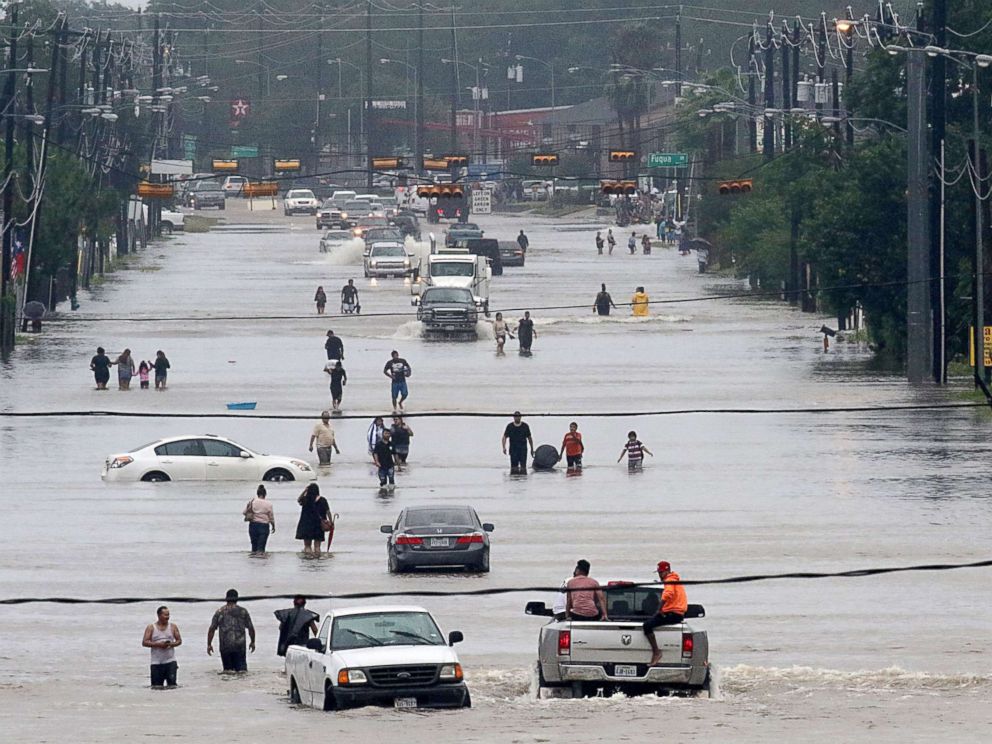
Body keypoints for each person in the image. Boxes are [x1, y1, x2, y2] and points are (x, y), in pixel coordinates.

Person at [644, 561, 688, 666]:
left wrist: (659, 609)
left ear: (667, 571)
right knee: (651, 621)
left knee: (647, 625)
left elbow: (668, 594)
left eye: (661, 572)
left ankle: (656, 652)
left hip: (674, 614)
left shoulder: (669, 580)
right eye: (659, 572)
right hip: (675, 614)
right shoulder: (675, 581)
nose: (660, 575)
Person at [207, 589, 255, 673]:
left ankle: (229, 681)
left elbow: (212, 629)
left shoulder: (220, 612)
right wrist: (252, 642)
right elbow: (250, 628)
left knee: (228, 671)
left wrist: (209, 644)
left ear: (226, 598)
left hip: (225, 646)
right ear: (237, 598)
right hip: (240, 646)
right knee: (242, 672)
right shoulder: (243, 611)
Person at [143, 606, 182, 688]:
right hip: (156, 663)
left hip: (170, 661)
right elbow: (145, 642)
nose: (167, 617)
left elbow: (179, 641)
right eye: (165, 615)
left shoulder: (173, 626)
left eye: (168, 615)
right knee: (156, 687)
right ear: (159, 615)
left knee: (172, 687)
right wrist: (159, 644)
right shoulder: (151, 627)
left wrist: (171, 644)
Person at [295, 483, 331, 555]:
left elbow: (299, 499)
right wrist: (330, 521)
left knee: (307, 546)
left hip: (306, 524)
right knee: (317, 546)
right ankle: (317, 558)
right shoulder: (323, 500)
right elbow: (328, 512)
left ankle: (308, 558)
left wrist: (305, 491)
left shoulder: (306, 499)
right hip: (319, 525)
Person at [243, 484, 275, 554]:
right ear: (265, 494)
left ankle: (253, 558)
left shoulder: (252, 502)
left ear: (257, 494)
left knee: (254, 546)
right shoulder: (268, 504)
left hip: (253, 525)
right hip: (264, 526)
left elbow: (244, 512)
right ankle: (261, 559)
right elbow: (271, 517)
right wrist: (273, 526)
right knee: (261, 548)